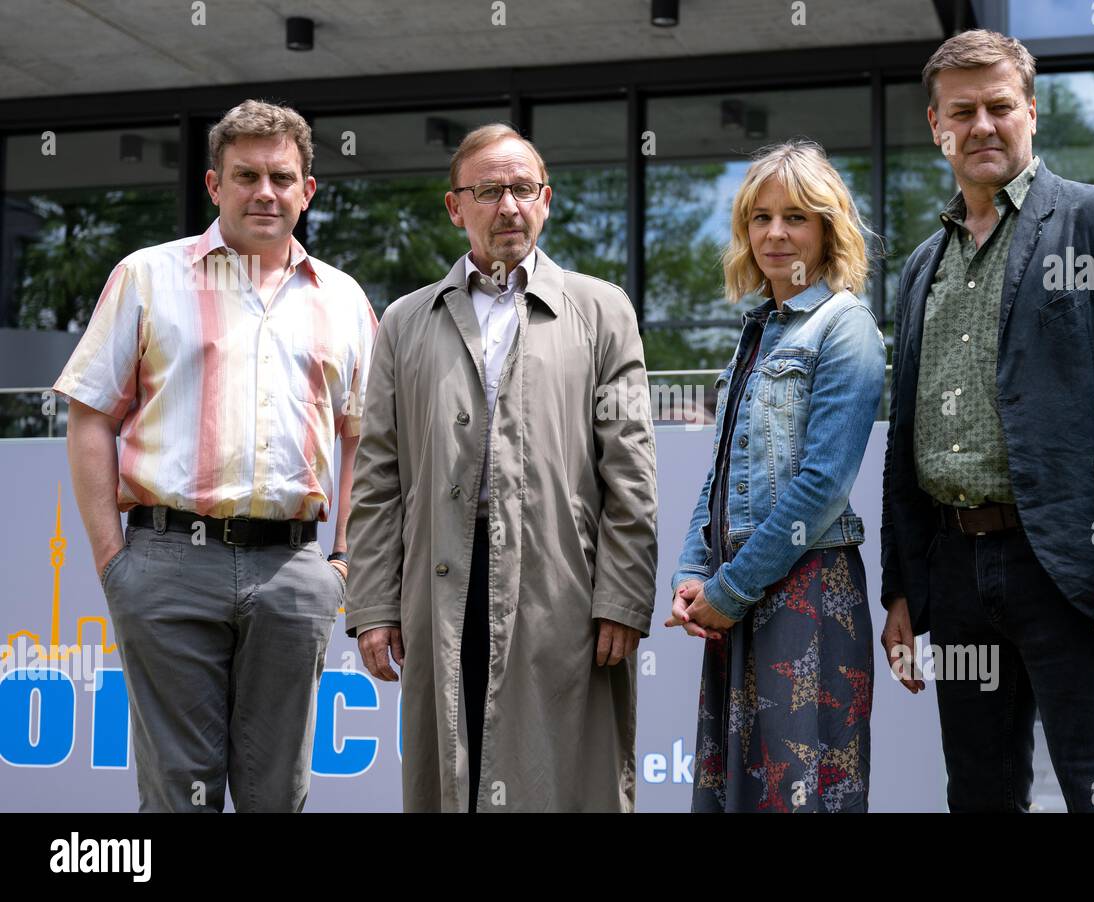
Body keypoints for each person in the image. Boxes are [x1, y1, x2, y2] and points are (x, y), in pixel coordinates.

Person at [879, 29, 1094, 812]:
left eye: (999, 106)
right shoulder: (924, 265)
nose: (982, 125)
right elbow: (905, 436)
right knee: (980, 795)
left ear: (1032, 113)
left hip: (1074, 569)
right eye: (964, 111)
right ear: (936, 126)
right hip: (956, 575)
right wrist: (902, 588)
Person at [56, 99, 377, 812]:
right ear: (214, 186)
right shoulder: (147, 277)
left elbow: (364, 441)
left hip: (294, 571)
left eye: (282, 177)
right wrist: (116, 563)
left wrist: (344, 562)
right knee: (178, 795)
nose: (266, 192)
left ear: (307, 190)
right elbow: (89, 417)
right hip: (167, 564)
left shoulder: (346, 301)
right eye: (247, 176)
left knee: (277, 795)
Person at [345, 123, 658, 813]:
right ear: (456, 207)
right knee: (454, 765)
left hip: (562, 582)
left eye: (523, 189)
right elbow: (377, 478)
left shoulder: (602, 310)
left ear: (546, 200)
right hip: (442, 576)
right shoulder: (405, 322)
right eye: (489, 190)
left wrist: (623, 596)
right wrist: (371, 605)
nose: (509, 206)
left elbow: (630, 470)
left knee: (563, 773)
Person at [666, 140, 885, 812]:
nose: (775, 233)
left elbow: (821, 487)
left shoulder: (845, 329)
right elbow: (721, 468)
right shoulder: (757, 331)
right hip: (744, 589)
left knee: (801, 796)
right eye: (760, 218)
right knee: (736, 790)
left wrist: (728, 588)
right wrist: (689, 572)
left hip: (808, 595)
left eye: (796, 217)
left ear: (827, 230)